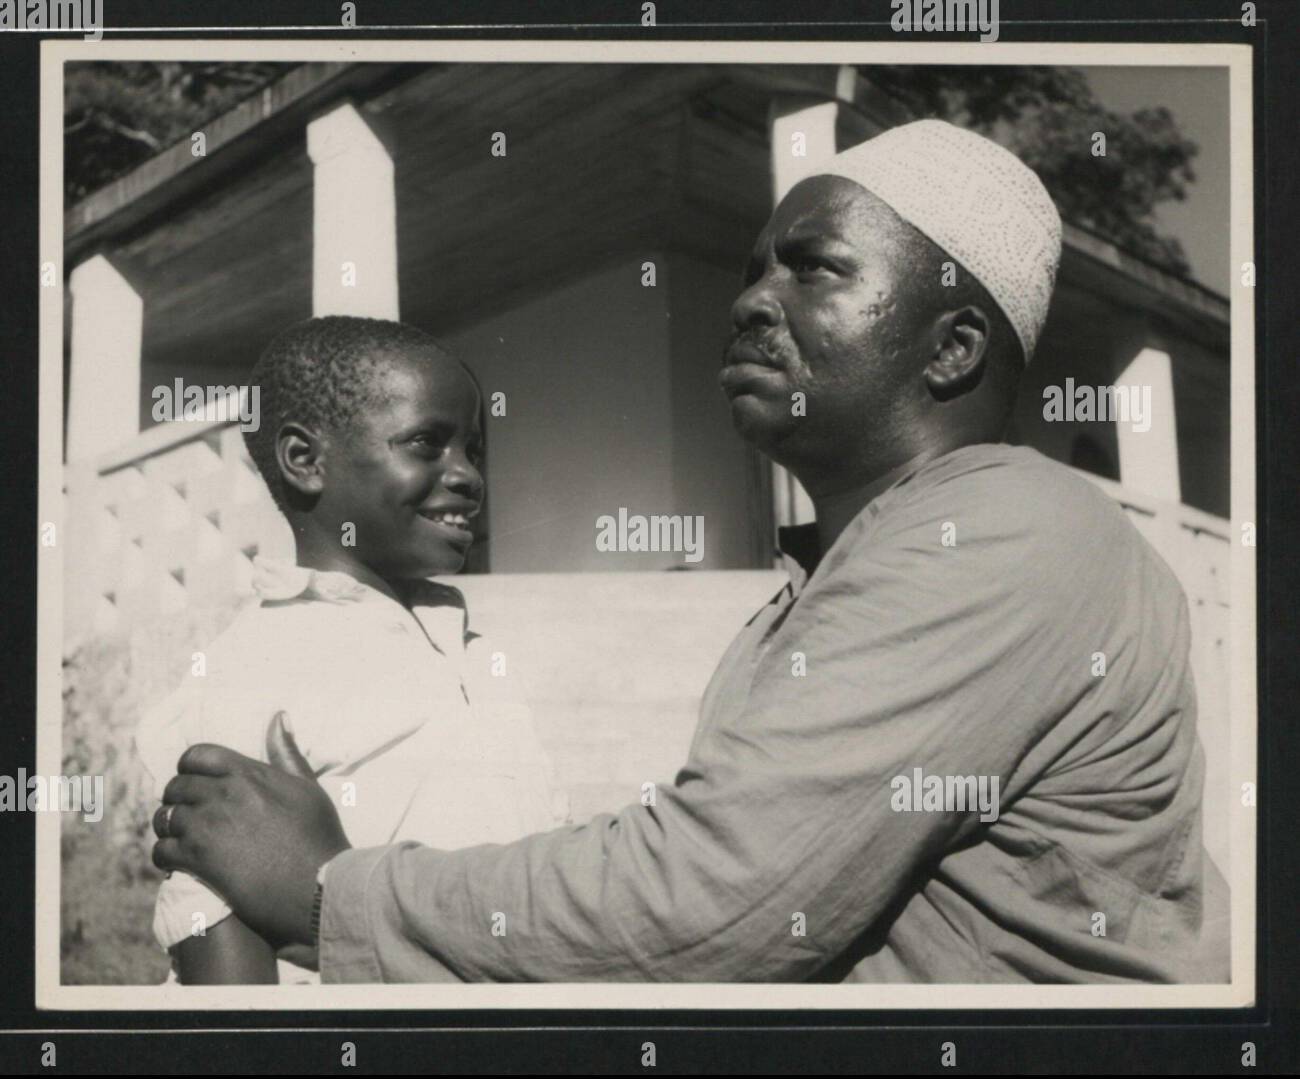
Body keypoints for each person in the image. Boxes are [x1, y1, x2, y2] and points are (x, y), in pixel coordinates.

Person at [153, 120, 1225, 984]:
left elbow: (716, 905)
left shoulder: (1006, 532)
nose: (753, 298)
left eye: (815, 271)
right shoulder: (817, 593)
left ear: (950, 349)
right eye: (757, 269)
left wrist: (331, 892)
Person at [139, 316, 567, 984]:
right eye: (427, 444)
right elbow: (212, 931)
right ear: (306, 461)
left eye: (474, 450)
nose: (468, 477)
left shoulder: (473, 652)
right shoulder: (258, 665)